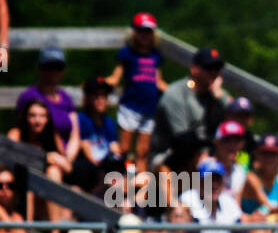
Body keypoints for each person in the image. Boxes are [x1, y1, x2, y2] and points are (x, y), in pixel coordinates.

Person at [150, 46, 229, 172]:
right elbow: (183, 139)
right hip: (172, 156)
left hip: (208, 154)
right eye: (209, 68)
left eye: (217, 69)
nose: (214, 73)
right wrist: (204, 156)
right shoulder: (175, 95)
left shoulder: (217, 94)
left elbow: (235, 124)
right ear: (194, 69)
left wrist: (221, 100)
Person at [106, 12, 166, 172]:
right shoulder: (127, 53)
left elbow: (158, 81)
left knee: (143, 152)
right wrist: (100, 83)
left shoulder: (155, 55)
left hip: (150, 108)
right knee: (124, 149)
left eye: (148, 31)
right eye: (141, 31)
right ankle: (123, 176)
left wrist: (177, 91)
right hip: (131, 106)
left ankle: (140, 185)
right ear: (134, 32)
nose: (145, 35)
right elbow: (116, 77)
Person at [15, 47, 80, 166]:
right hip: (42, 156)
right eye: (49, 67)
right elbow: (22, 131)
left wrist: (68, 160)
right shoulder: (28, 97)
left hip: (68, 158)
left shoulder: (66, 98)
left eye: (58, 67)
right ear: (39, 68)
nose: (53, 72)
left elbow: (75, 134)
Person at [73, 77, 123, 192]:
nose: (101, 100)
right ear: (88, 98)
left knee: (135, 174)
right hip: (89, 170)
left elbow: (114, 147)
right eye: (96, 96)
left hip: (107, 168)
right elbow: (88, 153)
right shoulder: (81, 119)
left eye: (104, 97)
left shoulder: (109, 122)